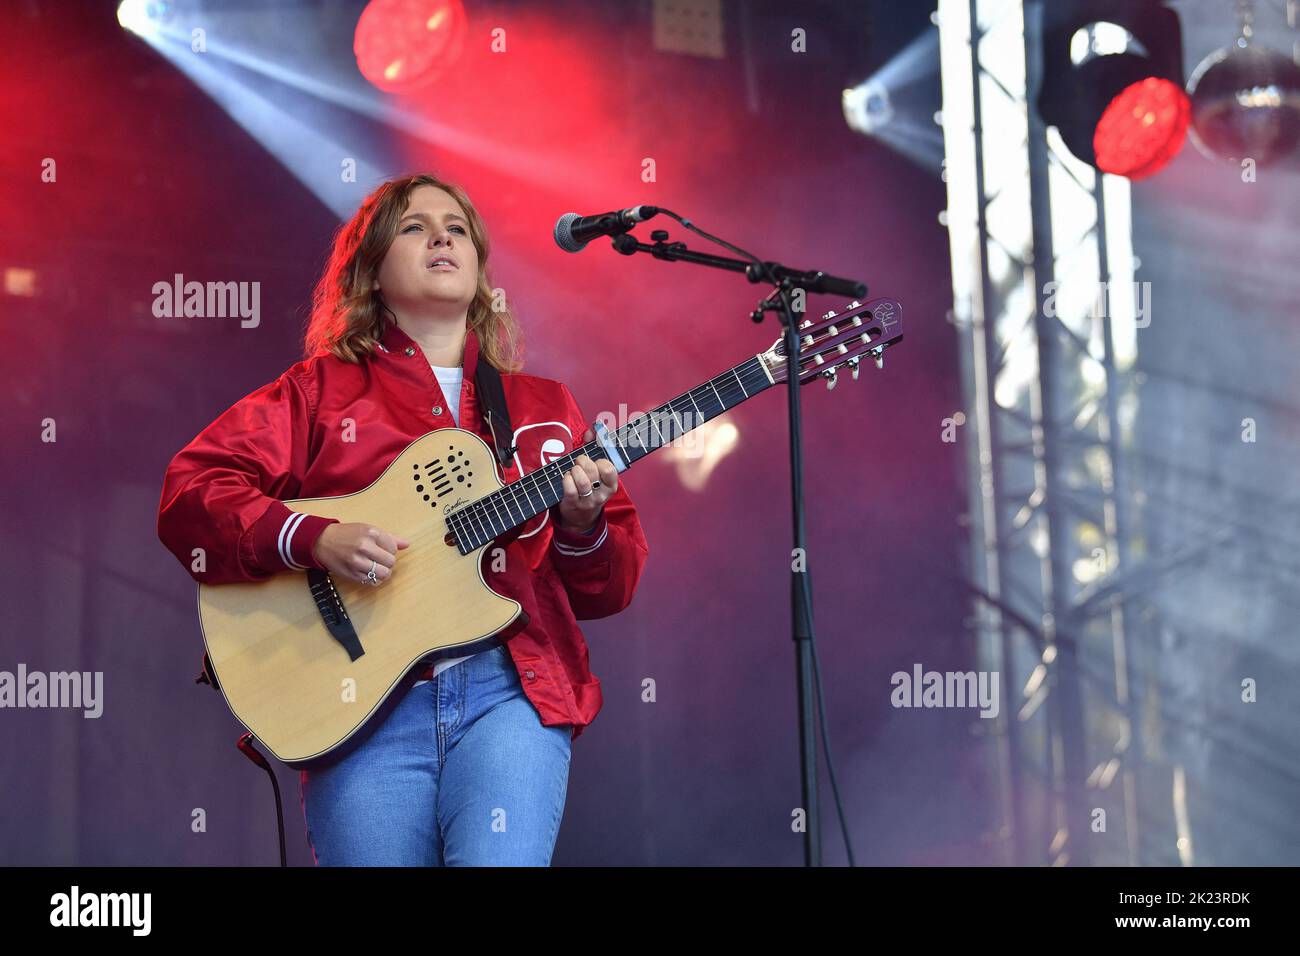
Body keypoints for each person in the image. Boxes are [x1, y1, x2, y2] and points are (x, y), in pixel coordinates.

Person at [156, 173, 649, 866]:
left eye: (457, 227)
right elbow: (192, 489)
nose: (442, 236)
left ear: (479, 267)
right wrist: (313, 539)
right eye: (414, 226)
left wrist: (582, 525)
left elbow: (609, 587)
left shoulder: (545, 406)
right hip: (362, 710)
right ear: (372, 270)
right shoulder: (319, 392)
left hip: (512, 693)